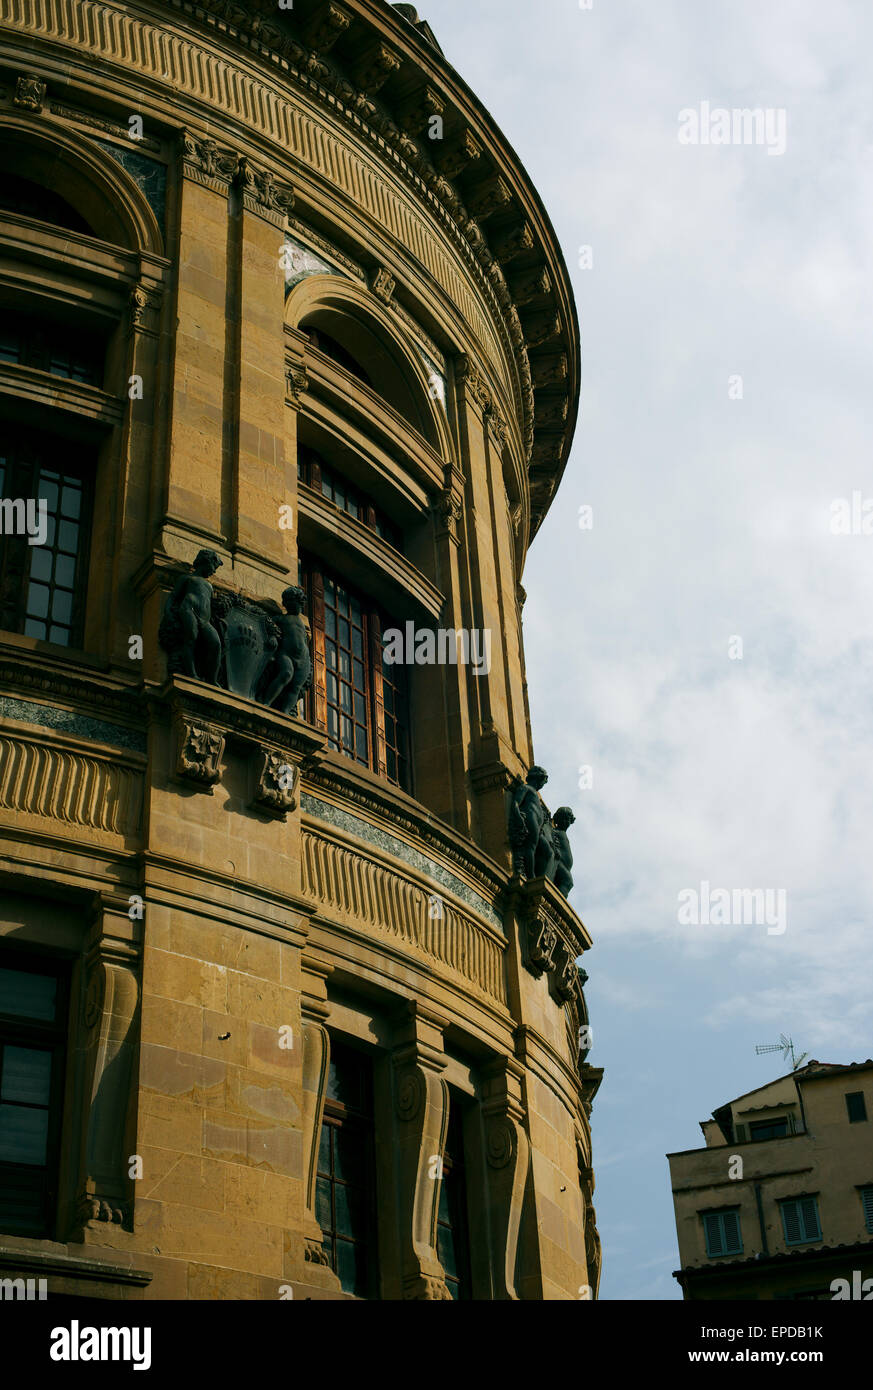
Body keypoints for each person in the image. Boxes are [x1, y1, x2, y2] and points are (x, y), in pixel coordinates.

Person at [159, 549, 223, 683]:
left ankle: (212, 678)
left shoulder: (209, 586)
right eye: (214, 567)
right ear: (205, 562)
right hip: (189, 610)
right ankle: (191, 673)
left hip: (205, 619)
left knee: (216, 643)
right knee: (191, 638)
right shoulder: (187, 579)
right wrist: (168, 612)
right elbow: (173, 597)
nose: (214, 571)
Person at [261, 585, 312, 714]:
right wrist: (272, 636)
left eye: (299, 604)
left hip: (304, 659)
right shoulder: (281, 619)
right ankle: (266, 701)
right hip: (285, 654)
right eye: (293, 603)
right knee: (286, 674)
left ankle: (285, 711)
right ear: (286, 603)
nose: (297, 607)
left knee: (295, 687)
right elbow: (268, 624)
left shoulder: (301, 623)